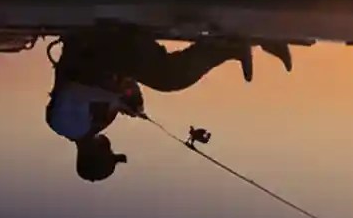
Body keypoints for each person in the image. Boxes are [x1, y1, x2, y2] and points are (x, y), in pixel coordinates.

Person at [44, 22, 292, 182]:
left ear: (94, 156)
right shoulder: (93, 125)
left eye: (109, 154)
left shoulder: (66, 126)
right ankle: (254, 39)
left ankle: (233, 46)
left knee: (170, 77)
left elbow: (75, 91)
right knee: (170, 75)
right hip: (112, 54)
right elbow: (116, 87)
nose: (110, 148)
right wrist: (130, 99)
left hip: (100, 46)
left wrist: (117, 99)